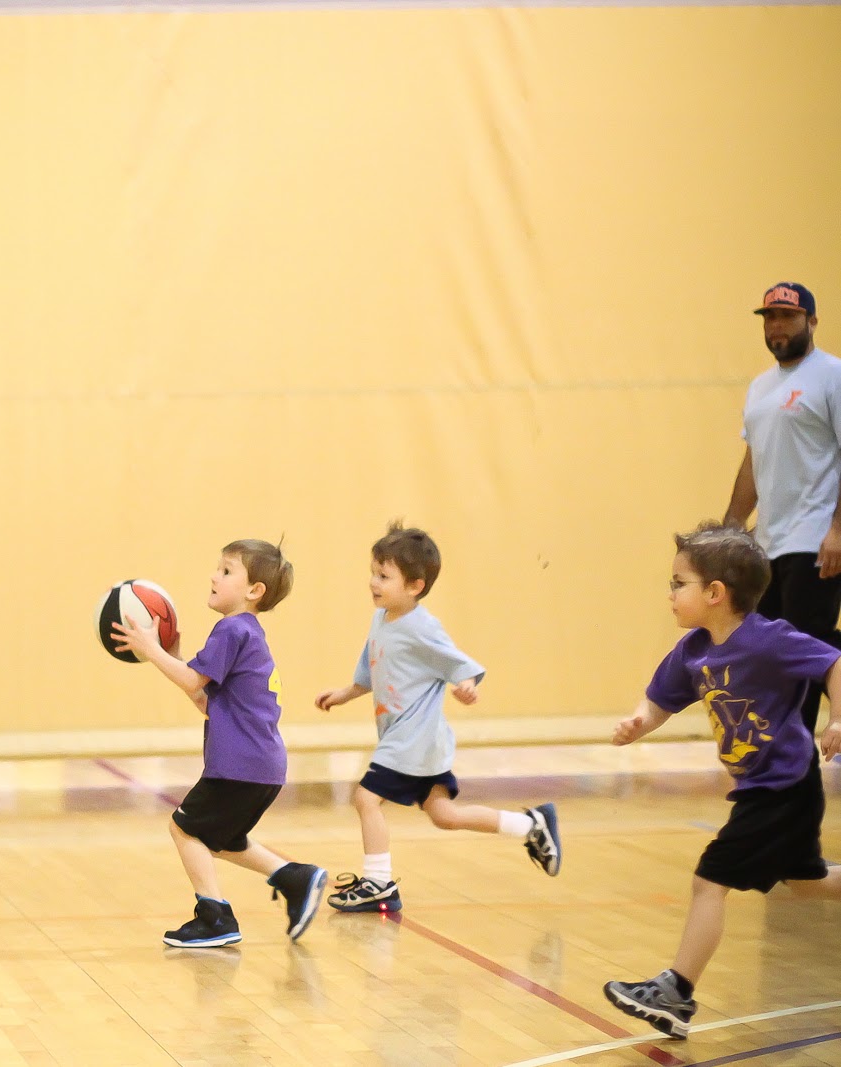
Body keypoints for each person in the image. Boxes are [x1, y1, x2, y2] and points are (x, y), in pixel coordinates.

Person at [604, 522, 841, 1039]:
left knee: (709, 880)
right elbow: (660, 700)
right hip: (765, 788)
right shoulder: (693, 651)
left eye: (677, 583)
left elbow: (835, 663)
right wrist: (638, 722)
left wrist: (838, 718)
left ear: (715, 594)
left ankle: (675, 993)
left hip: (783, 787)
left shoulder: (768, 639)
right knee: (805, 882)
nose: (669, 593)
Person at [314, 523, 561, 913]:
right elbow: (371, 670)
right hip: (414, 742)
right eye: (373, 573)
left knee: (366, 798)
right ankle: (531, 825)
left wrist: (466, 686)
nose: (373, 582)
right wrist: (345, 693)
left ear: (414, 585)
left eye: (384, 576)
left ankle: (379, 883)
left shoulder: (422, 627)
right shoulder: (382, 619)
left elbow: (458, 664)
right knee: (444, 816)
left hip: (414, 739)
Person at [114, 539, 329, 947]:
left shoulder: (231, 630)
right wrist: (169, 656)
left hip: (240, 765)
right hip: (260, 766)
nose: (215, 575)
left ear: (255, 591)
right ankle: (296, 878)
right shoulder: (247, 633)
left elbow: (194, 681)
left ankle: (215, 916)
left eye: (227, 570)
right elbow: (207, 702)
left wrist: (150, 649)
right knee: (222, 841)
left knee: (184, 828)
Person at [724, 282, 841, 732]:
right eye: (770, 317)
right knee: (772, 648)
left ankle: (793, 755)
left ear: (811, 321)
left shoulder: (831, 376)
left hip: (814, 539)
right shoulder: (761, 387)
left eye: (787, 317)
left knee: (802, 646)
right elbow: (754, 460)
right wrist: (731, 528)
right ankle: (782, 745)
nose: (777, 325)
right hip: (768, 543)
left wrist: (838, 529)